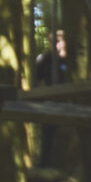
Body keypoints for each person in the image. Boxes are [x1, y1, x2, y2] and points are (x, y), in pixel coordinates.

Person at [31, 29, 70, 167]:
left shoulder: (72, 59)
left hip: (69, 104)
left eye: (58, 41)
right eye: (52, 41)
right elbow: (36, 77)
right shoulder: (46, 59)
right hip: (50, 104)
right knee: (48, 136)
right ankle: (44, 166)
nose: (54, 44)